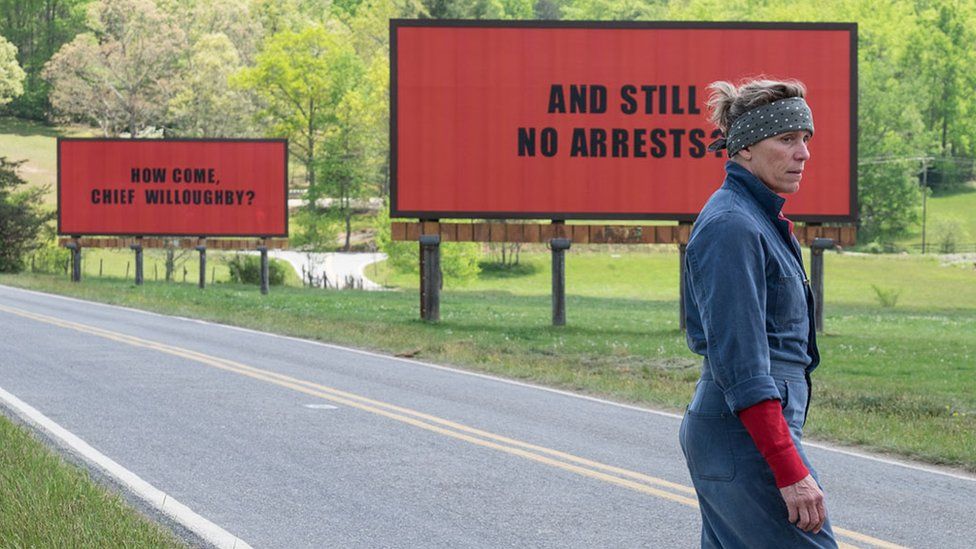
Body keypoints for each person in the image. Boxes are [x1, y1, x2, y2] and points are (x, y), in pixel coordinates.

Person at [678, 78, 837, 548]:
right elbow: (743, 366)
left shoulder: (756, 218)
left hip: (743, 433)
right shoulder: (732, 226)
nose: (803, 153)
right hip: (743, 436)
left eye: (805, 139)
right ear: (744, 148)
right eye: (786, 139)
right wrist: (789, 469)